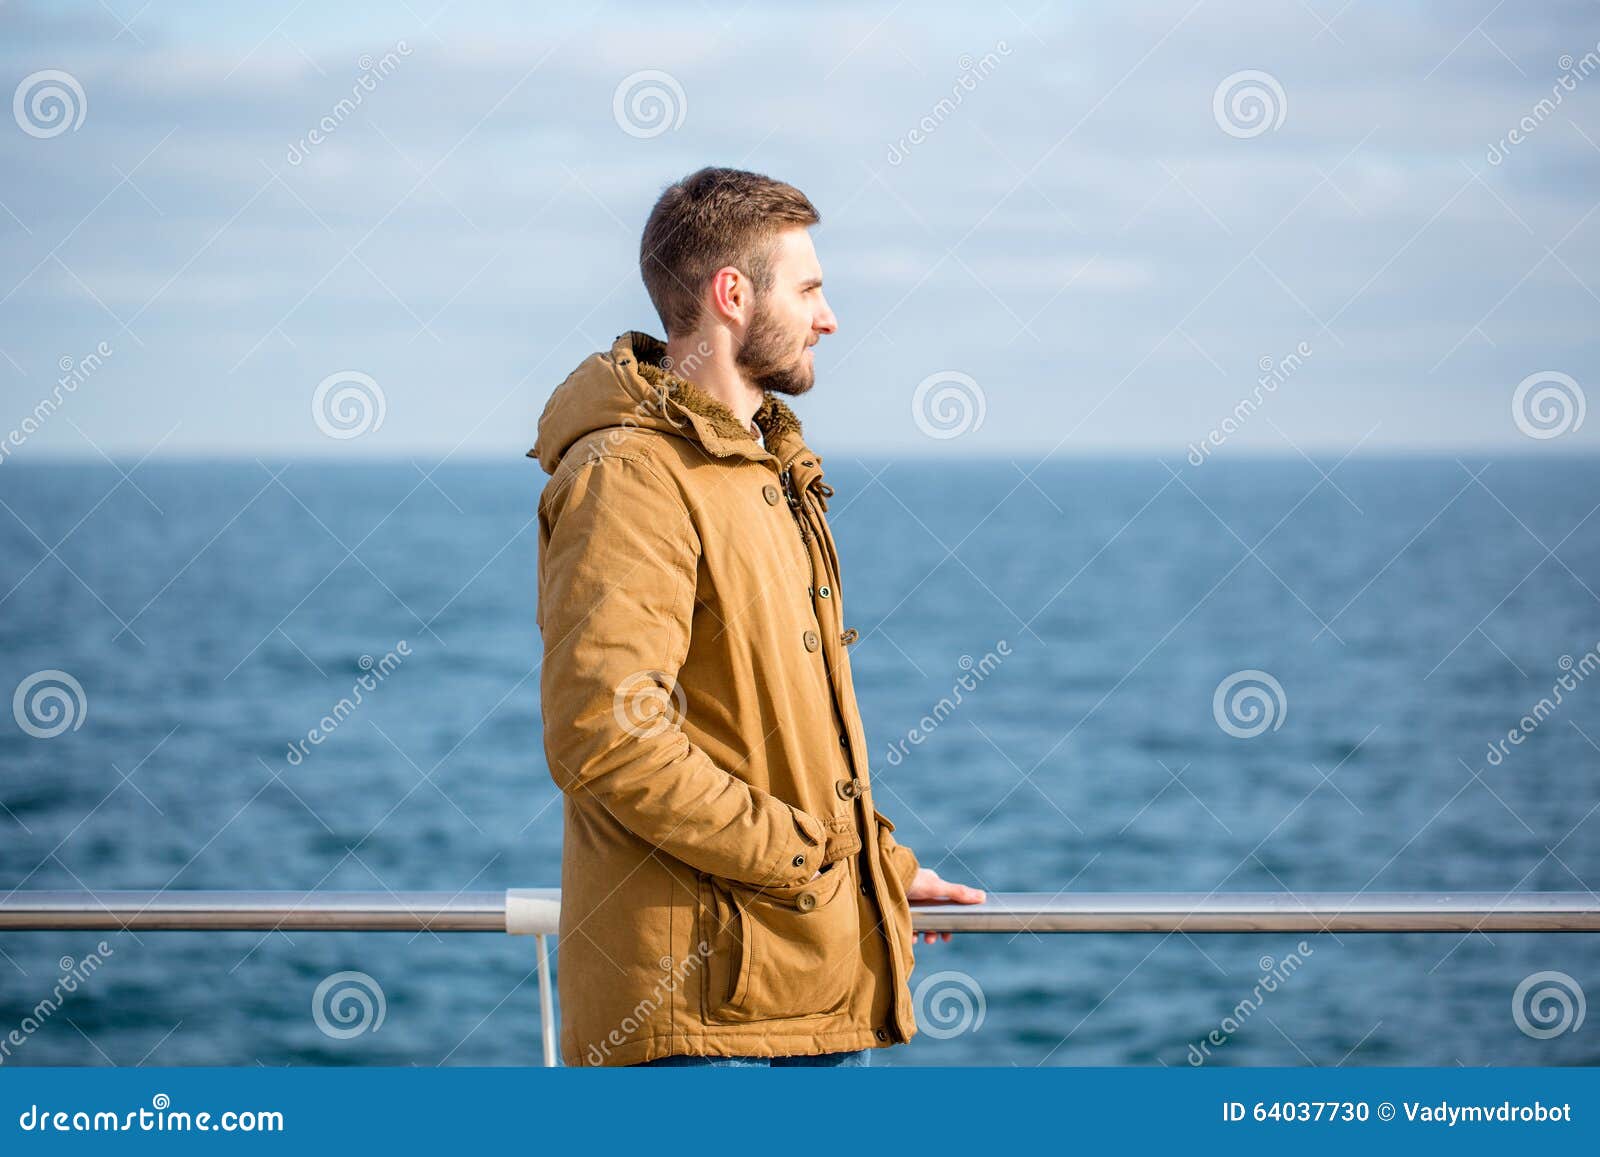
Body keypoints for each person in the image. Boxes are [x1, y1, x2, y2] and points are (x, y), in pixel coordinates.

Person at [530, 166, 984, 1068]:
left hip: (790, 996)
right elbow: (609, 737)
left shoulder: (764, 471)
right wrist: (813, 865)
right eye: (810, 288)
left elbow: (773, 732)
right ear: (731, 295)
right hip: (701, 1030)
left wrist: (876, 876)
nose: (830, 316)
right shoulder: (633, 476)